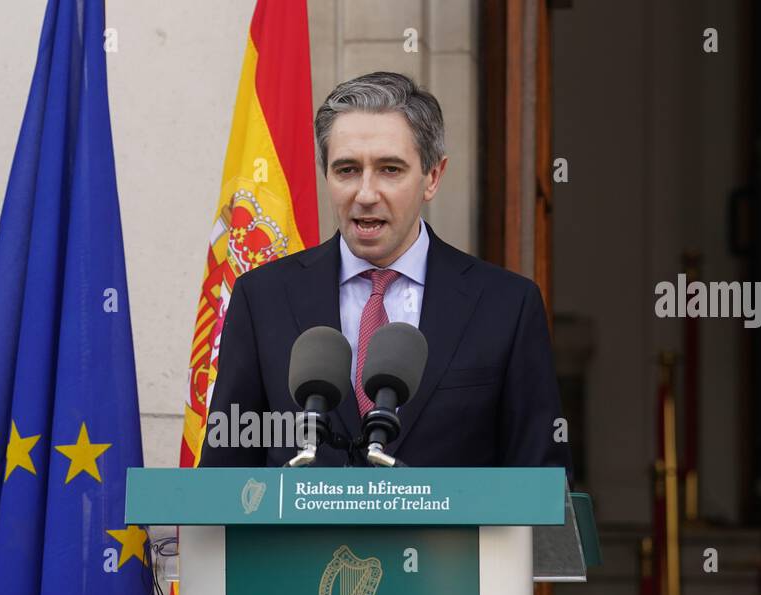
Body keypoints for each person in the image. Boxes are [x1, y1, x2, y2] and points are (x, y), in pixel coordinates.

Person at [199, 71, 570, 475]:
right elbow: (225, 471)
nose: (365, 194)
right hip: (301, 538)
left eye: (390, 169)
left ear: (432, 176)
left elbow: (541, 483)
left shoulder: (507, 306)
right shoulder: (262, 299)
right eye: (347, 170)